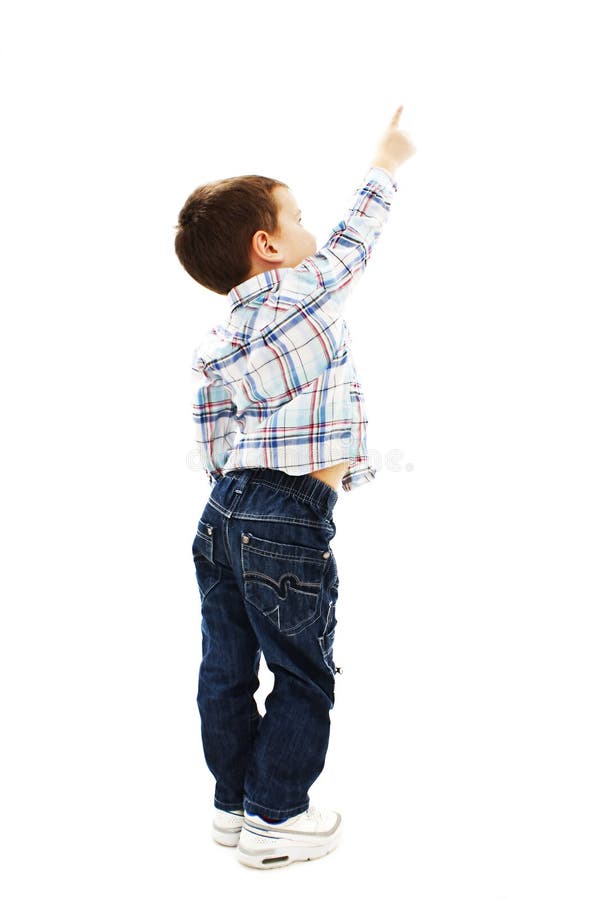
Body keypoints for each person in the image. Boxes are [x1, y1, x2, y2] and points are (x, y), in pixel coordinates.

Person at [175, 104, 416, 869]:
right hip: (287, 513)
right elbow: (352, 246)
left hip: (222, 513)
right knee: (303, 670)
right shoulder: (302, 289)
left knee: (226, 664)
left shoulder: (220, 336)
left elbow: (210, 426)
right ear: (268, 244)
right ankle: (277, 816)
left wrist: (232, 501)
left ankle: (232, 804)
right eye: (297, 218)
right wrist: (386, 163)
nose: (312, 231)